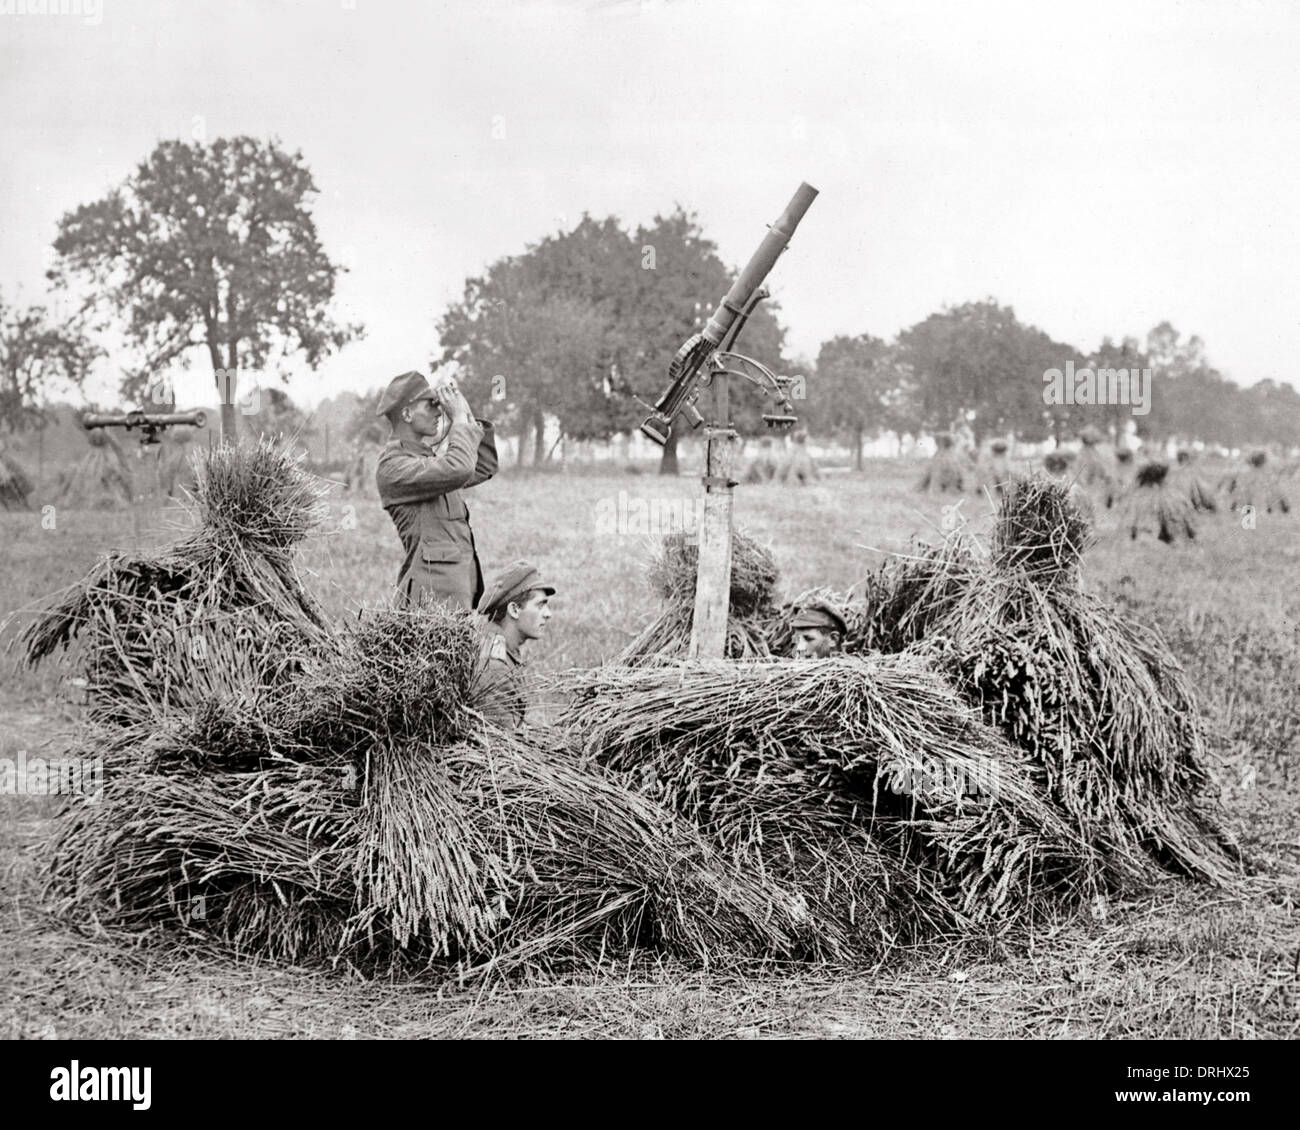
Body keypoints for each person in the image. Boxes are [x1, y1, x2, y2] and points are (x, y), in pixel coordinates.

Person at [375, 368, 498, 609]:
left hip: (455, 597)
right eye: (430, 405)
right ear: (408, 413)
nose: (438, 411)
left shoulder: (428, 460)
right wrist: (459, 421)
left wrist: (465, 414)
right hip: (428, 604)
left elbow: (483, 466)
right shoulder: (393, 466)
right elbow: (460, 468)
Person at [471, 561, 556, 729]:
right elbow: (500, 743)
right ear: (514, 610)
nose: (548, 614)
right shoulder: (493, 667)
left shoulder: (504, 646)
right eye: (540, 605)